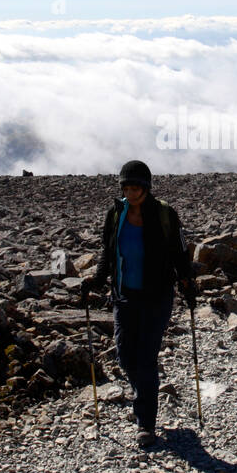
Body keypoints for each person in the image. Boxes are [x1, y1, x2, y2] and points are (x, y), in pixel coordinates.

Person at [83, 160, 196, 449]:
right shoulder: (116, 213)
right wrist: (96, 280)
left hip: (157, 297)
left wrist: (188, 285)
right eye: (126, 187)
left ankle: (145, 422)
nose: (131, 192)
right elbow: (107, 252)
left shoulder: (164, 214)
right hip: (124, 296)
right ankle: (144, 393)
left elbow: (180, 254)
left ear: (146, 188)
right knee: (124, 357)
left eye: (135, 187)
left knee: (145, 358)